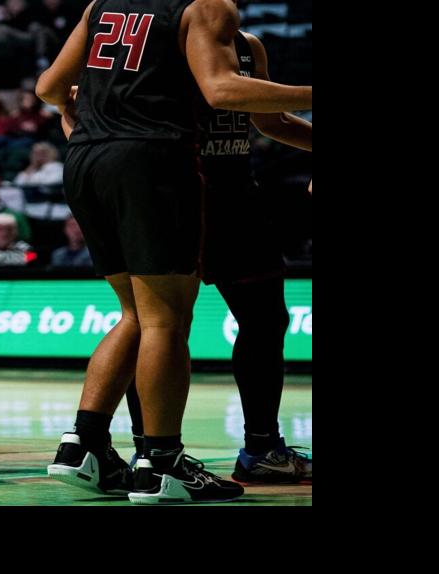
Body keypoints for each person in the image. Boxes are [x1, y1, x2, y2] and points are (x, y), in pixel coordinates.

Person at [37, 0, 310, 503]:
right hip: (165, 172)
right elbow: (221, 88)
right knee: (160, 321)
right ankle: (158, 458)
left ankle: (88, 444)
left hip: (115, 166)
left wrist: (93, 129)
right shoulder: (202, 10)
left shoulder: (110, 6)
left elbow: (50, 89)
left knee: (153, 318)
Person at [194, 27, 314, 484]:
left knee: (266, 320)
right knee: (158, 327)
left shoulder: (248, 44)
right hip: (176, 190)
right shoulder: (168, 33)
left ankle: (261, 447)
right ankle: (150, 451)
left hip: (236, 194)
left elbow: (272, 121)